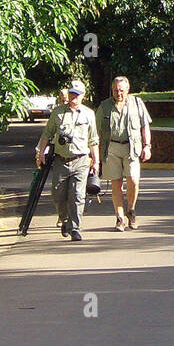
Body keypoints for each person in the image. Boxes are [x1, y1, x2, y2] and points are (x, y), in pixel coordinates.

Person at [37, 79, 99, 241]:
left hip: (81, 160)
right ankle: (64, 219)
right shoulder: (57, 113)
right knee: (58, 194)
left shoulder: (89, 114)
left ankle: (75, 228)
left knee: (77, 195)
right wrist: (40, 153)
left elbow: (93, 140)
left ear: (83, 96)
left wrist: (96, 161)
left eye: (77, 95)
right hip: (61, 160)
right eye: (72, 93)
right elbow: (47, 134)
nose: (74, 97)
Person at [96, 76, 152, 231]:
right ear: (112, 90)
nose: (118, 93)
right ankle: (119, 217)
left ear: (127, 89)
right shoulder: (104, 106)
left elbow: (144, 126)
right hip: (111, 148)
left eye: (121, 90)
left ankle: (131, 210)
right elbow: (96, 132)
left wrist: (147, 146)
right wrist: (94, 154)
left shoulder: (137, 103)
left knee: (133, 181)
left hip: (132, 148)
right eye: (115, 90)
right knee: (116, 184)